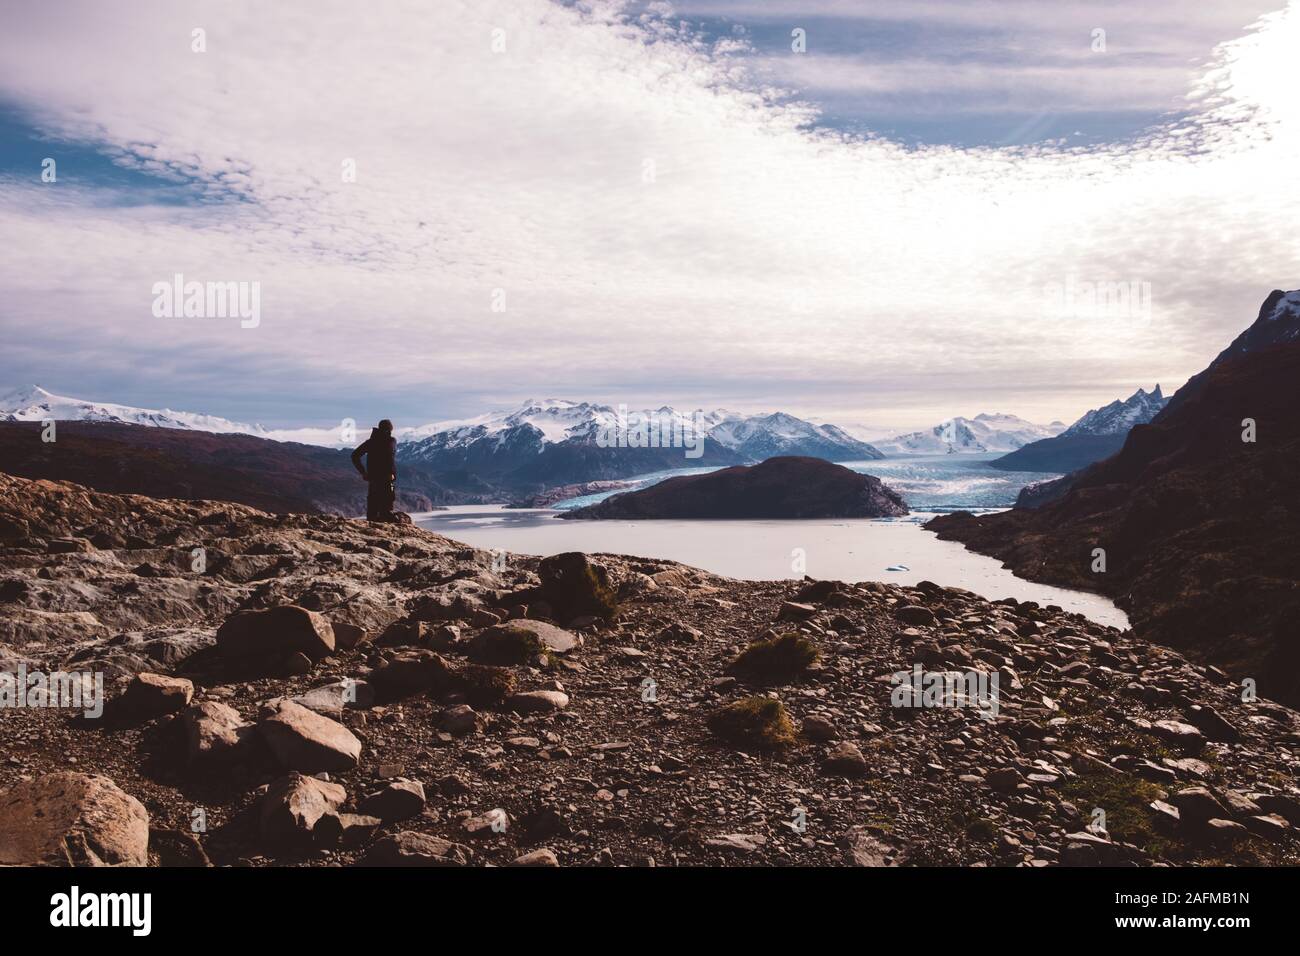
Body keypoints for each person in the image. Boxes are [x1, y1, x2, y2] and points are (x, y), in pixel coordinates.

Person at [351, 419, 397, 521]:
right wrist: (392, 473)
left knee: (373, 508)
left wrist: (363, 472)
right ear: (388, 430)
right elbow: (390, 459)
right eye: (390, 430)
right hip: (386, 479)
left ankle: (371, 529)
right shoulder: (391, 441)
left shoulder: (370, 442)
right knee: (386, 509)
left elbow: (355, 456)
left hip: (373, 479)